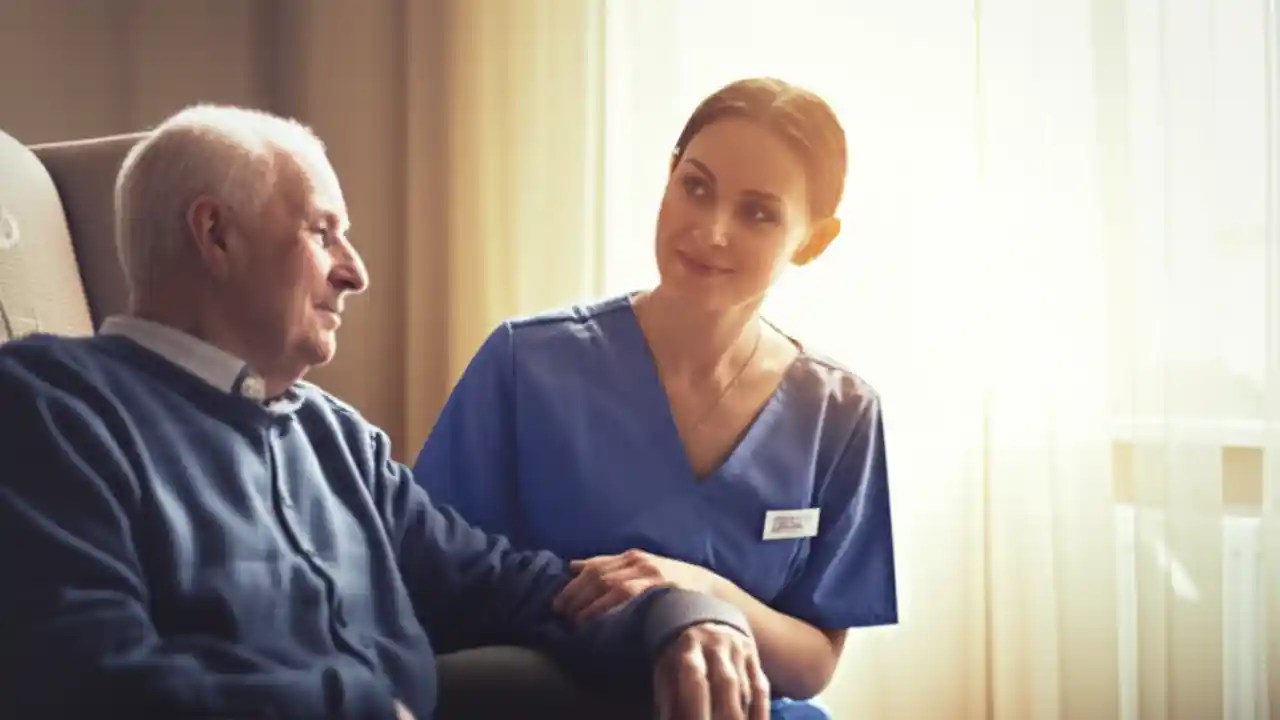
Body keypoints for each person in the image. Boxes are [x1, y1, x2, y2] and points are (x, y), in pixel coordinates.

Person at [0, 105, 773, 720]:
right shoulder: (47, 404)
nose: (356, 271)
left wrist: (682, 620)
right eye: (323, 230)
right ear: (217, 234)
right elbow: (85, 679)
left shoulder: (335, 438)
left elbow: (506, 586)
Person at [412, 77, 897, 720]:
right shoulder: (527, 363)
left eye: (758, 212)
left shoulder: (840, 415)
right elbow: (434, 580)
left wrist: (697, 587)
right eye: (696, 187)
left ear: (814, 240)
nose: (711, 229)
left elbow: (811, 663)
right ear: (669, 178)